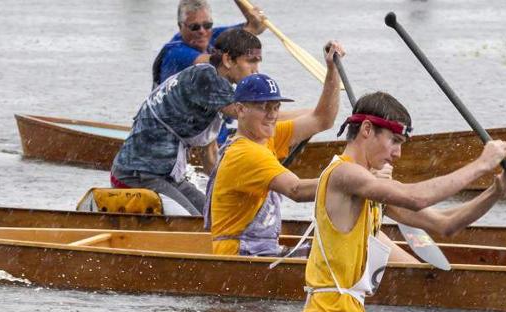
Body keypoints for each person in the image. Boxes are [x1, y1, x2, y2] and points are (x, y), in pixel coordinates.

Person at [301, 91, 506, 312]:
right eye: (394, 141)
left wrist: (496, 191)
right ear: (366, 129)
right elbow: (417, 197)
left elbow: (446, 224)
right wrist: (482, 164)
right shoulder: (344, 174)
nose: (397, 154)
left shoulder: (373, 188)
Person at [203, 41, 345, 257]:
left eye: (275, 107)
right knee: (338, 253)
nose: (271, 114)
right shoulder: (247, 153)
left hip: (262, 249)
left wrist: (332, 70)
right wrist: (350, 183)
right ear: (240, 109)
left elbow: (322, 119)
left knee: (339, 248)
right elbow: (296, 190)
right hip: (240, 254)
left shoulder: (265, 137)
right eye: (263, 107)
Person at [111, 29, 262, 215]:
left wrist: (230, 191)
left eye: (258, 62)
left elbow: (210, 152)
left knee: (216, 216)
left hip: (168, 176)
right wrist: (307, 119)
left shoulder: (212, 93)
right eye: (251, 61)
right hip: (137, 175)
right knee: (198, 226)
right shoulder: (207, 76)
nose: (257, 70)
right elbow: (252, 116)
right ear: (228, 60)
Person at [153, 0, 267, 87]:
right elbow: (218, 62)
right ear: (180, 26)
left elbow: (256, 27)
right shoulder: (175, 52)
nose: (202, 31)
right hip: (176, 115)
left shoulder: (213, 35)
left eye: (207, 25)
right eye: (194, 27)